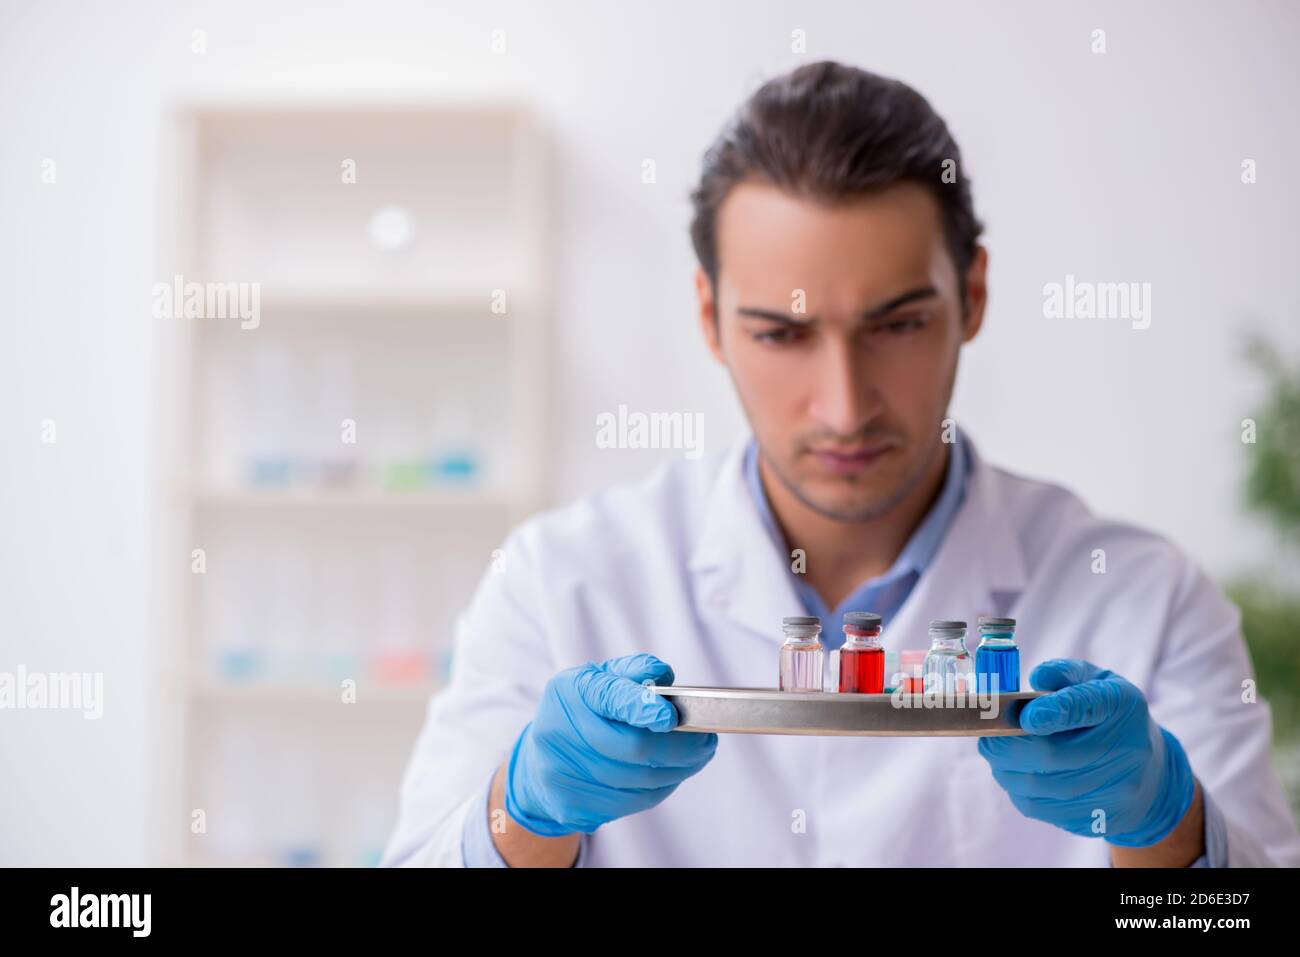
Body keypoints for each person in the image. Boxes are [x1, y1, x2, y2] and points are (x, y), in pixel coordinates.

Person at [382, 61, 1300, 867]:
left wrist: (1173, 833)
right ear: (708, 317)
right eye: (782, 332)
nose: (845, 403)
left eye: (897, 323)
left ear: (972, 294)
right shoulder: (558, 582)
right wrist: (523, 815)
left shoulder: (1146, 599)